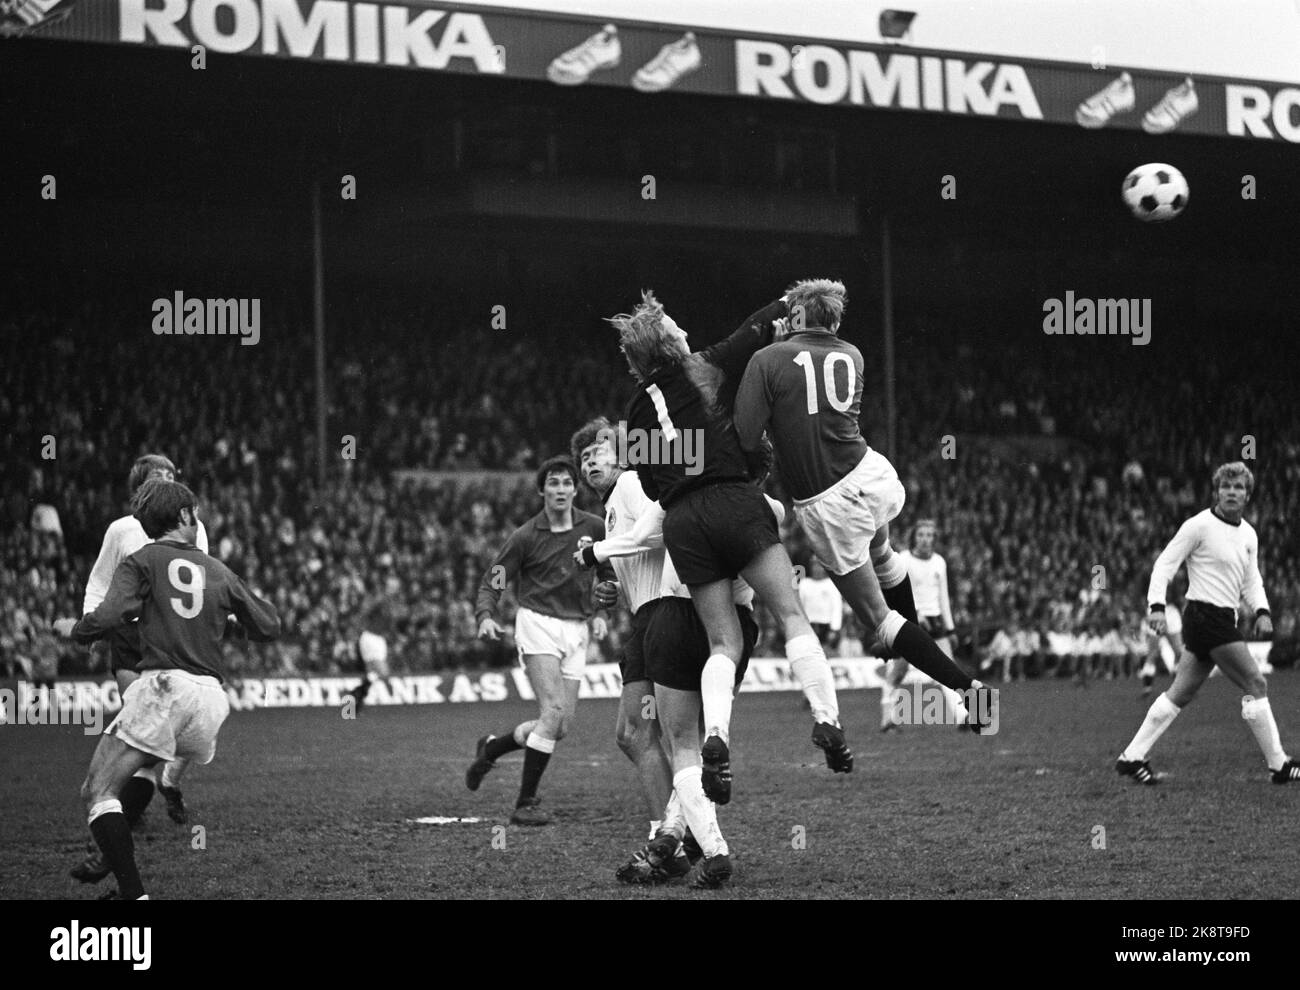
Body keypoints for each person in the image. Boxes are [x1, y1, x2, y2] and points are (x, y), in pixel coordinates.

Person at [607, 289, 852, 808]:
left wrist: (681, 468)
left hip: (684, 522)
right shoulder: (703, 366)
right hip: (734, 500)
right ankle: (827, 718)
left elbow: (650, 486)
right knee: (792, 614)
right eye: (675, 325)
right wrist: (795, 297)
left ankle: (715, 733)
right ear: (668, 342)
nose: (683, 329)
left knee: (722, 642)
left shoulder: (633, 410)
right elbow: (757, 326)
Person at [734, 278, 996, 731]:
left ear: (796, 315)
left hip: (826, 497)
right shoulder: (852, 355)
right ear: (834, 320)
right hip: (871, 472)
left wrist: (767, 370)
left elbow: (745, 435)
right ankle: (908, 643)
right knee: (884, 556)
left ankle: (969, 692)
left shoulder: (766, 360)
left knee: (879, 618)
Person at [56, 478, 280, 900]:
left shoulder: (142, 560)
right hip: (211, 702)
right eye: (195, 512)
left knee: (97, 791)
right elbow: (269, 626)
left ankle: (133, 893)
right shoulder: (218, 570)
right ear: (183, 516)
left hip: (164, 688)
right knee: (142, 766)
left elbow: (111, 615)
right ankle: (158, 800)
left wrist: (75, 630)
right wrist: (231, 615)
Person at [579, 474, 785, 889]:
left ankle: (705, 848)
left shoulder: (675, 497)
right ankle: (674, 833)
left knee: (680, 743)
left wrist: (593, 553)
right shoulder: (770, 509)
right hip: (734, 624)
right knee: (699, 738)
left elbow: (644, 536)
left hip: (674, 617)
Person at [69, 454, 209, 887]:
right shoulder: (121, 530)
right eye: (156, 475)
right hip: (131, 640)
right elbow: (99, 581)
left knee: (148, 743)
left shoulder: (195, 528)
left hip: (170, 639)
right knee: (143, 734)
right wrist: (92, 621)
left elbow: (199, 578)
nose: (166, 480)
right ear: (139, 486)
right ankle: (116, 834)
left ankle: (113, 834)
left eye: (171, 475)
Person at [1116, 461, 1300, 785]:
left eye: (1238, 487)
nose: (1232, 492)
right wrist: (1156, 607)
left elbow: (1251, 579)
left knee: (1180, 693)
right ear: (1216, 492)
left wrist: (1262, 611)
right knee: (1256, 683)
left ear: (1247, 495)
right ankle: (1279, 766)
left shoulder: (1249, 535)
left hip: (1216, 620)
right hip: (1205, 617)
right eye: (1226, 487)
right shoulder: (1198, 525)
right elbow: (1164, 564)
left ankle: (1132, 756)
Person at [465, 456, 614, 825]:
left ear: (575, 488)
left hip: (576, 630)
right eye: (553, 483)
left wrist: (600, 613)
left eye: (566, 483)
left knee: (559, 727)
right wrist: (485, 616)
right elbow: (493, 580)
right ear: (541, 490)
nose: (561, 489)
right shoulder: (526, 536)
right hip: (538, 625)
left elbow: (608, 573)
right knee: (553, 713)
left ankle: (493, 748)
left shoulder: (595, 527)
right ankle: (525, 803)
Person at [568, 417, 675, 847]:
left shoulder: (631, 483)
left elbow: (661, 531)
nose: (591, 462)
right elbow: (638, 547)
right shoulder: (610, 507)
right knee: (640, 733)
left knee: (639, 733)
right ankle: (676, 831)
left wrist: (600, 553)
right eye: (584, 458)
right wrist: (614, 587)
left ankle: (670, 834)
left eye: (598, 452)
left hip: (660, 616)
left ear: (621, 454)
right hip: (647, 618)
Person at [880, 519, 969, 731]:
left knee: (949, 668)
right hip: (909, 621)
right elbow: (895, 593)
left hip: (936, 623)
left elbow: (943, 598)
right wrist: (916, 613)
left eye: (930, 535)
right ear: (914, 537)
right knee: (897, 673)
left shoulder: (939, 562)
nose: (925, 539)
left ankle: (963, 717)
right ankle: (887, 719)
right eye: (921, 535)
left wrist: (950, 628)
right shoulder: (903, 560)